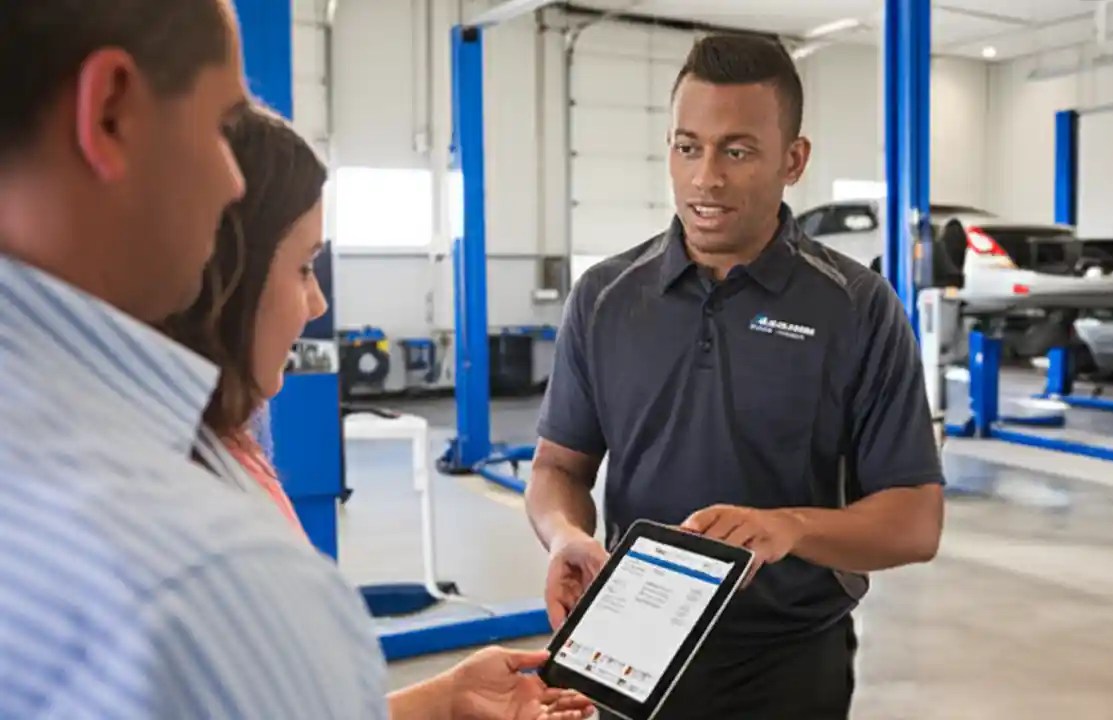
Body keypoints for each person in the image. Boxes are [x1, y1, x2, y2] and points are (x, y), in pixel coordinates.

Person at [0, 3, 586, 719]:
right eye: (220, 126)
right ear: (111, 112)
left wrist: (431, 704)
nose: (230, 183)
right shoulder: (206, 580)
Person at [526, 33, 945, 719]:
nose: (705, 178)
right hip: (632, 642)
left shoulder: (855, 306)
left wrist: (791, 529)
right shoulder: (605, 296)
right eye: (687, 147)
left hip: (786, 660)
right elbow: (557, 469)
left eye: (738, 151)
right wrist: (567, 537)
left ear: (793, 160)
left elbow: (915, 522)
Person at [159, 104, 593, 718]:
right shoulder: (159, 505)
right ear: (226, 272)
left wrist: (441, 701)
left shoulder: (229, 449)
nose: (316, 303)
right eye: (304, 268)